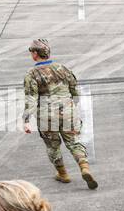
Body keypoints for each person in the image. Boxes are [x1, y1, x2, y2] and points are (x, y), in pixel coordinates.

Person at [23, 39, 97, 189]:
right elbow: (74, 88)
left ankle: (63, 174)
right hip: (67, 111)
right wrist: (72, 105)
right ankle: (84, 167)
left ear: (35, 54)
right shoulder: (62, 68)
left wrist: (26, 120)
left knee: (53, 146)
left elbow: (31, 98)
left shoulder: (32, 74)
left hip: (46, 115)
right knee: (74, 141)